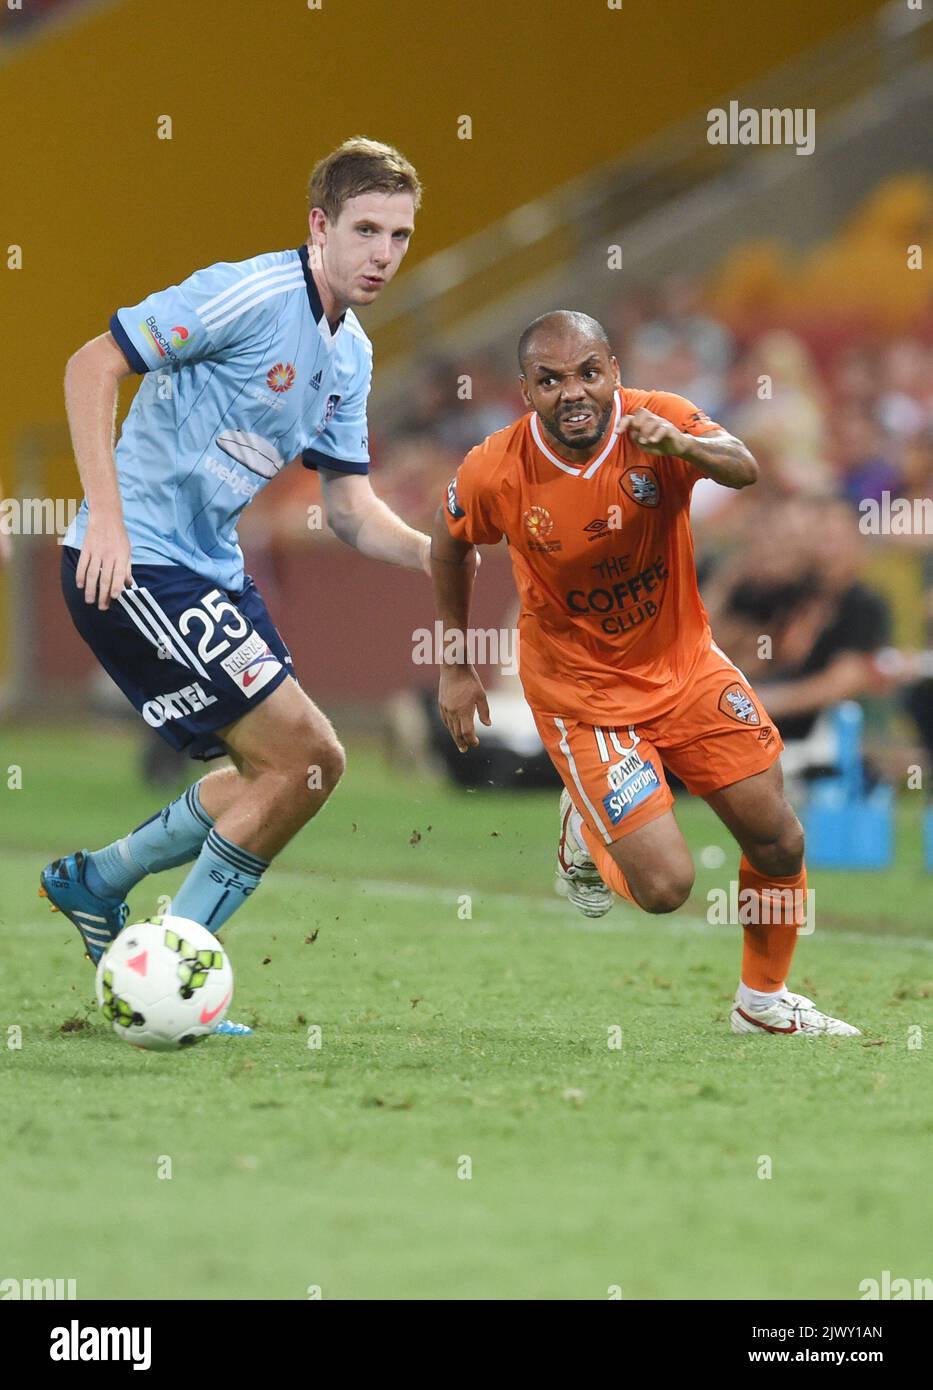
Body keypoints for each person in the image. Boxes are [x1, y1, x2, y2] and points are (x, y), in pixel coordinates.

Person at [43, 138, 431, 1036]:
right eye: (365, 229)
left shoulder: (351, 354)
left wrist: (429, 553)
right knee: (307, 758)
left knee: (283, 770)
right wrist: (105, 517)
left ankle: (96, 883)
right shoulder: (249, 293)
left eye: (400, 236)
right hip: (134, 560)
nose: (383, 253)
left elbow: (348, 509)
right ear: (318, 225)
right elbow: (89, 364)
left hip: (207, 570)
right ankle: (168, 978)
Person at [430, 309, 861, 1038]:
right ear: (525, 391)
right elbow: (447, 551)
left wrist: (681, 443)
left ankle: (761, 1003)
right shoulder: (493, 470)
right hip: (582, 694)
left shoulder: (656, 421)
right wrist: (454, 664)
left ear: (614, 375)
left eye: (588, 373)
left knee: (777, 837)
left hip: (685, 666)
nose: (573, 392)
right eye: (550, 380)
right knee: (665, 889)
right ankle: (583, 831)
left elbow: (743, 466)